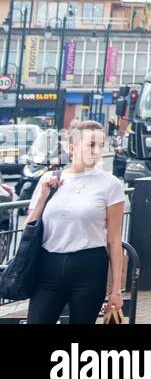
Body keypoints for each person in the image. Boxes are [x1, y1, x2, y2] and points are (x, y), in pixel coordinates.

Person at [24, 120, 126, 324]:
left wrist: (115, 291)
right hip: (48, 266)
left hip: (89, 267)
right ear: (72, 148)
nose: (97, 150)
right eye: (91, 144)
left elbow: (114, 241)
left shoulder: (111, 185)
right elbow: (29, 227)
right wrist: (43, 196)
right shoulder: (50, 179)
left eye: (101, 144)